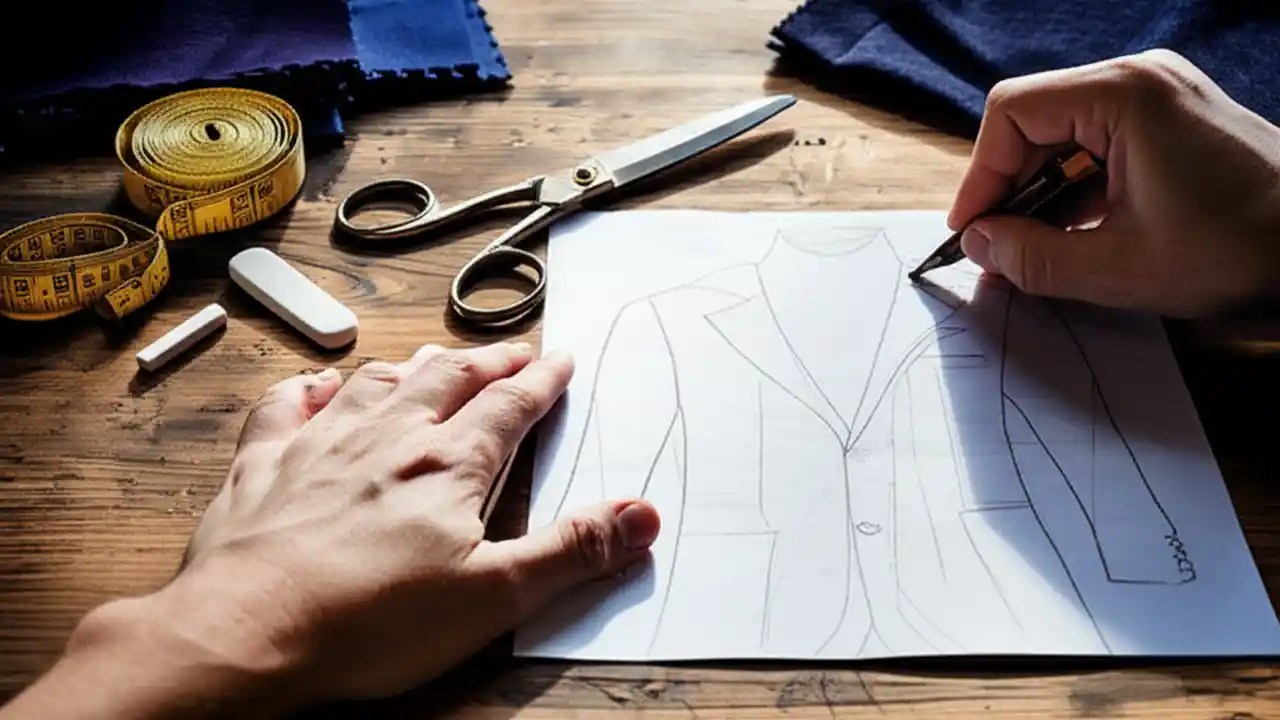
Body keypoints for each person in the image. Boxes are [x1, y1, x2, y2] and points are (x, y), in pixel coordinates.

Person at [2, 48, 1278, 719]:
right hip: (740, 584)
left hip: (986, 581)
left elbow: (1053, 434)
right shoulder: (673, 309)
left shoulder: (1009, 314)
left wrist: (211, 625)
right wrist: (231, 627)